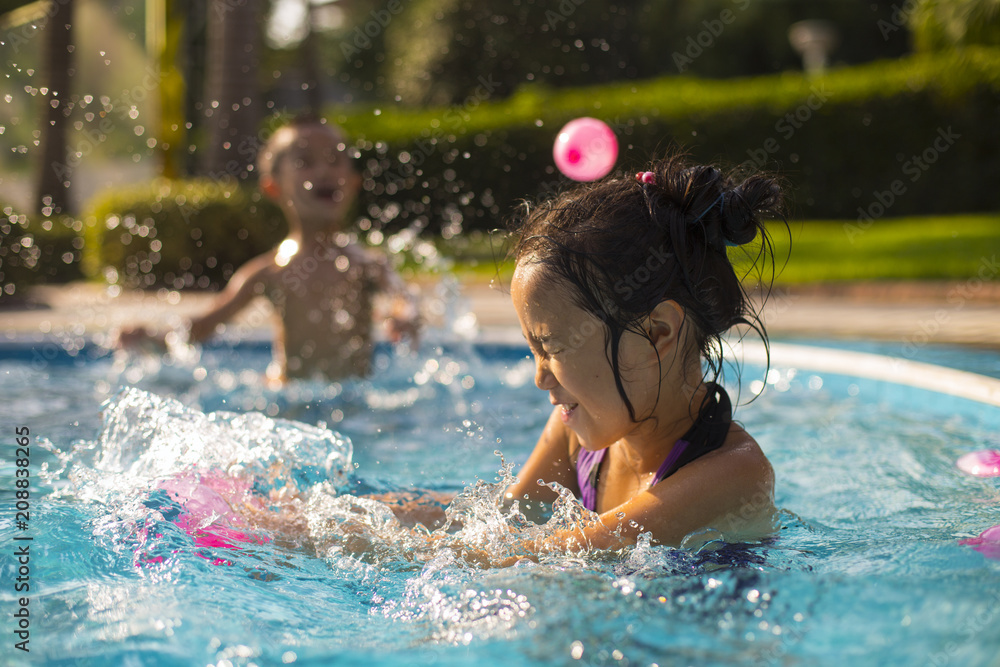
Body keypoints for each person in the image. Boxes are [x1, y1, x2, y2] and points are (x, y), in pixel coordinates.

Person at [497, 156, 785, 552]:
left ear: (657, 332)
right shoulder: (574, 431)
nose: (540, 378)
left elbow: (548, 553)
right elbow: (505, 516)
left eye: (552, 348)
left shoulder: (736, 474)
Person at [117, 117, 418, 383]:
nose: (324, 171)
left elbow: (403, 300)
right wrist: (154, 339)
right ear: (274, 187)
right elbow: (205, 325)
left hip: (354, 400)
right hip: (290, 398)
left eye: (334, 160)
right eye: (305, 162)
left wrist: (405, 317)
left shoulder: (367, 265)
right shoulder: (270, 271)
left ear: (353, 182)